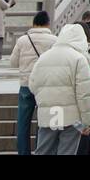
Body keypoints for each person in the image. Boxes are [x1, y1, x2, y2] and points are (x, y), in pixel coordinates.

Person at [28, 23, 90, 155]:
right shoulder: (78, 59)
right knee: (67, 151)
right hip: (71, 117)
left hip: (49, 114)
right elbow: (84, 94)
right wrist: (88, 121)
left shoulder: (44, 57)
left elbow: (32, 85)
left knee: (44, 150)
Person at [9, 11, 58, 155]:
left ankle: (23, 152)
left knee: (23, 122)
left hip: (26, 84)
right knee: (44, 121)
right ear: (48, 24)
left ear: (33, 23)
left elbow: (13, 62)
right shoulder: (54, 40)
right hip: (46, 86)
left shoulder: (23, 40)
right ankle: (41, 150)